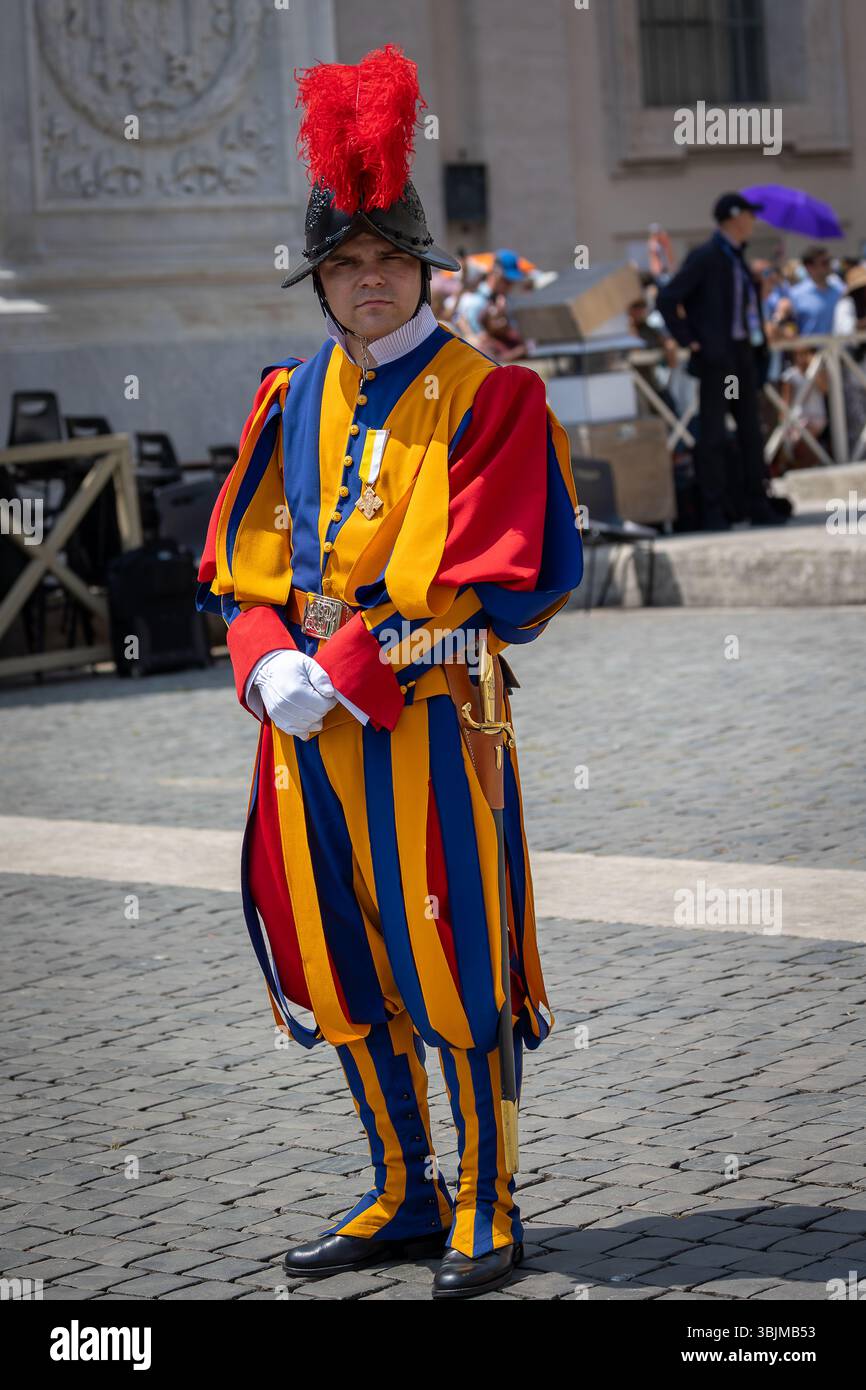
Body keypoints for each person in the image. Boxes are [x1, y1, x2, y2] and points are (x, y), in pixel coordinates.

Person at [195, 44, 583, 1301]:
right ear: (322, 279)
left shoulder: (493, 397)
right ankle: (402, 1188)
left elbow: (489, 581)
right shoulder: (283, 398)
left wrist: (346, 661)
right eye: (344, 265)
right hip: (304, 736)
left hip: (426, 725)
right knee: (343, 961)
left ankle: (488, 1199)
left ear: (425, 269)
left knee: (454, 961)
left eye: (385, 261)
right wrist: (265, 668)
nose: (366, 282)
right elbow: (244, 568)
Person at [657, 191, 786, 529]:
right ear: (732, 217)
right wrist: (692, 342)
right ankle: (713, 510)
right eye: (748, 214)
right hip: (719, 361)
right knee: (713, 434)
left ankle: (756, 502)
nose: (753, 221)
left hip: (743, 356)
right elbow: (668, 299)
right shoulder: (707, 256)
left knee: (750, 432)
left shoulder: (736, 258)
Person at [789, 246, 844, 335]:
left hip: (838, 347)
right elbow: (792, 327)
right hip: (810, 347)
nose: (829, 265)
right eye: (824, 263)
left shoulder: (840, 290)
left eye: (829, 261)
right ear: (809, 267)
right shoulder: (795, 295)